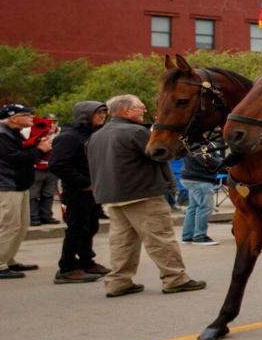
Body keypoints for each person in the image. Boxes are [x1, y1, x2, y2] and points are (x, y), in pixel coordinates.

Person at [85, 94, 205, 298]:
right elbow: (160, 153)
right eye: (140, 107)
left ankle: (118, 282)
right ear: (126, 110)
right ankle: (175, 278)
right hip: (142, 192)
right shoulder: (135, 132)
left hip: (112, 195)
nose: (144, 111)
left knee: (122, 241)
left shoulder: (98, 135)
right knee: (160, 238)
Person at [0, 103, 49, 280]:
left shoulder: (12, 133)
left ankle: (8, 260)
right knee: (7, 226)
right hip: (2, 187)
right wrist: (40, 150)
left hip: (15, 186)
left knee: (20, 226)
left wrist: (37, 145)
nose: (32, 117)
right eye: (27, 114)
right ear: (13, 118)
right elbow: (13, 159)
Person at [47, 100, 112, 283]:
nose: (102, 116)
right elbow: (58, 164)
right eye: (98, 112)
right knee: (76, 228)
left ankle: (86, 262)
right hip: (77, 190)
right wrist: (84, 183)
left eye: (103, 112)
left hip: (93, 189)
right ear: (85, 115)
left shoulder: (93, 134)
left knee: (90, 226)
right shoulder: (69, 137)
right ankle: (66, 267)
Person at [179, 142, 224, 246]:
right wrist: (223, 163)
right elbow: (206, 160)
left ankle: (187, 236)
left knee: (193, 207)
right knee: (205, 207)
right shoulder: (199, 144)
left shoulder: (193, 142)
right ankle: (199, 236)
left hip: (192, 178)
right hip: (200, 179)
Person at [28, 114, 62, 226]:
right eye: (49, 121)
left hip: (52, 168)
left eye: (55, 121)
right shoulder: (36, 133)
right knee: (33, 193)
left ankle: (46, 216)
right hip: (36, 167)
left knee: (49, 193)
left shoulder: (60, 134)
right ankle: (34, 217)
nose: (52, 124)